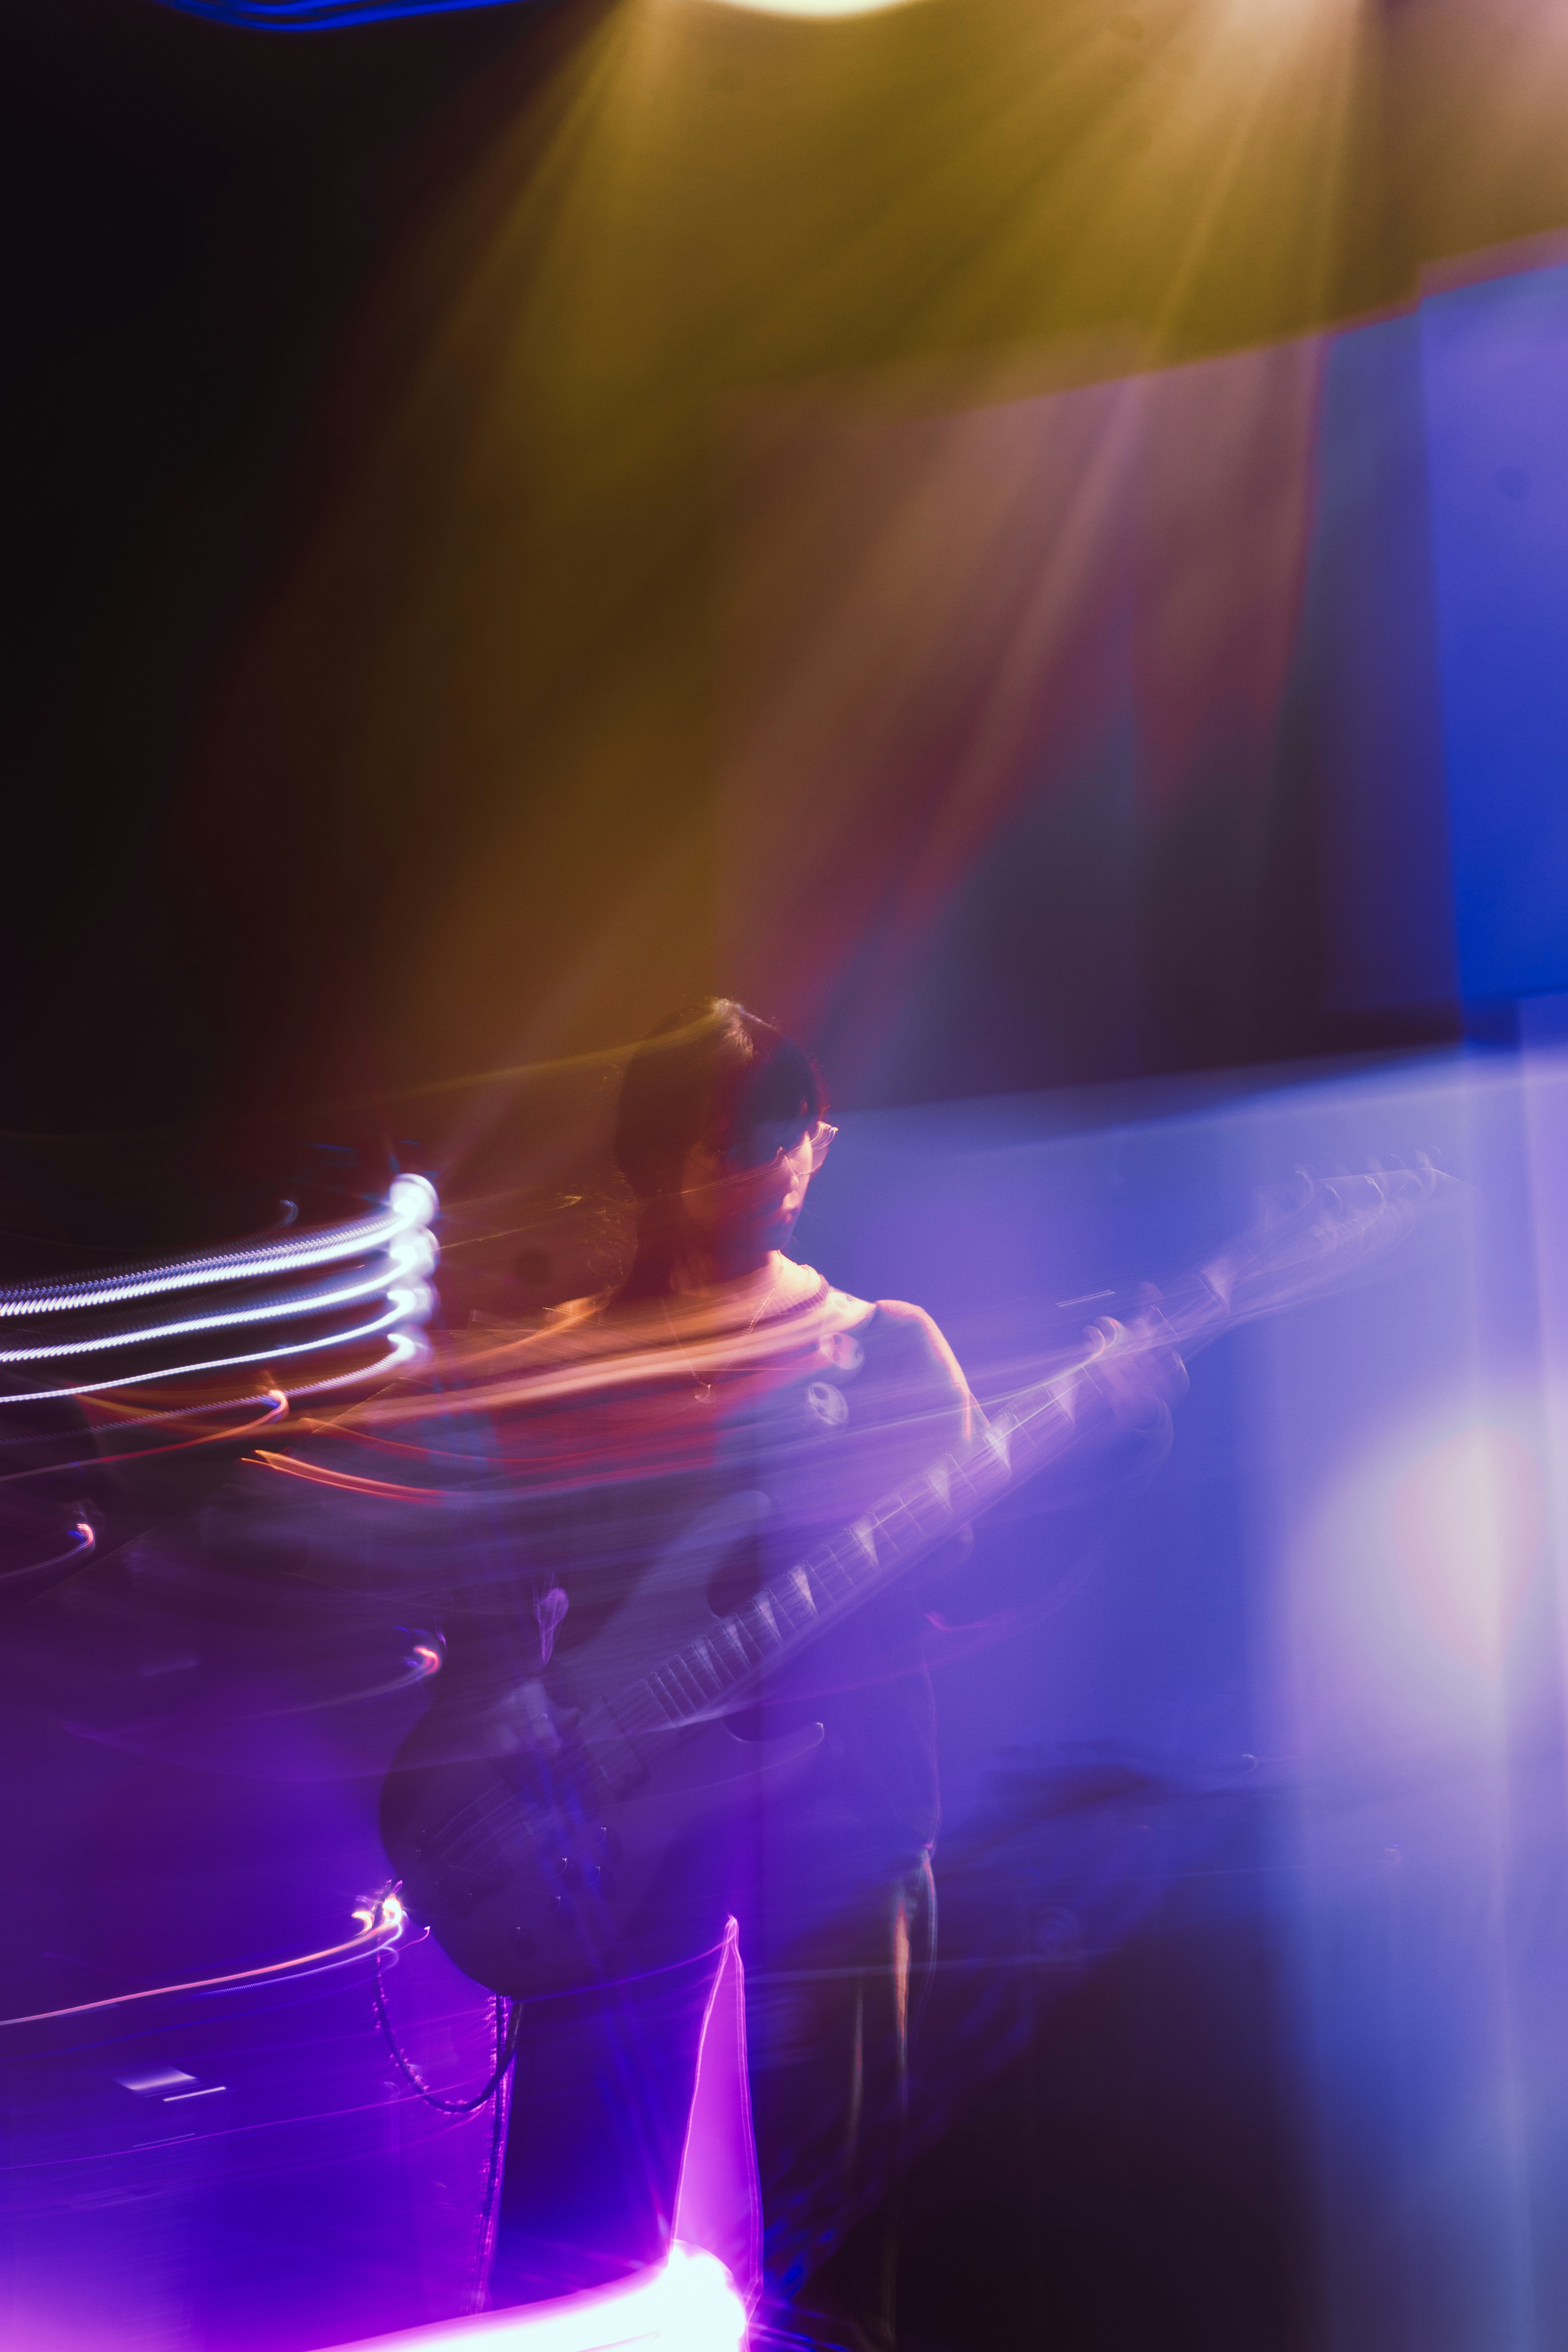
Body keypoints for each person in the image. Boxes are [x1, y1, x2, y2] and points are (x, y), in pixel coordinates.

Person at [363, 999, 1180, 2347]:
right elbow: (485, 1605)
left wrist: (1106, 1463)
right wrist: (506, 1722)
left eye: (795, 1126)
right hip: (607, 1842)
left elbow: (966, 1586)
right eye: (734, 1129)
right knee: (571, 2238)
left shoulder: (886, 1348)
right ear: (653, 1155)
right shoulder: (572, 1367)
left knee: (835, 2240)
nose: (774, 1156)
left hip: (842, 1829)